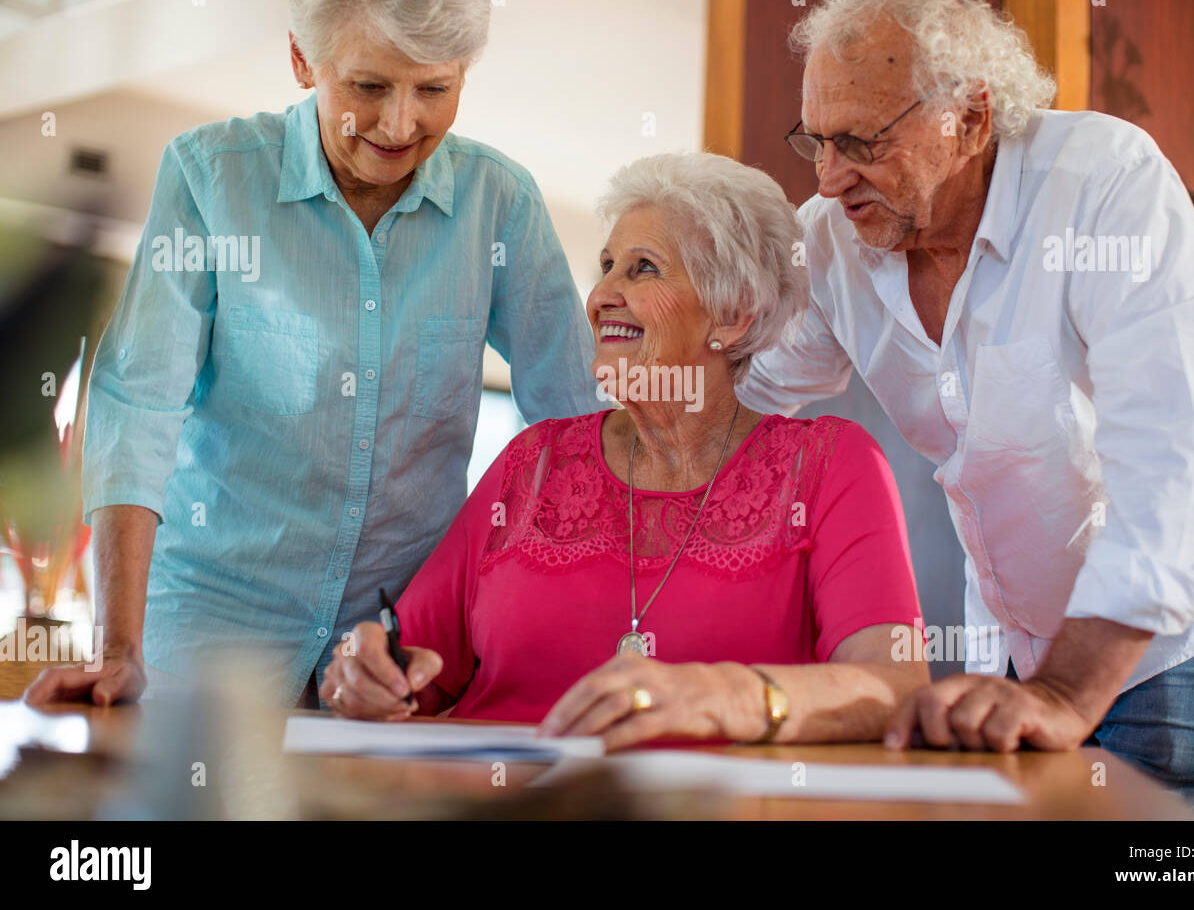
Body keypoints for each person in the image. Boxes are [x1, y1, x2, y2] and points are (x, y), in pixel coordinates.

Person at [734, 0, 1194, 818]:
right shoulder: (835, 242)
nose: (827, 178)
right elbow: (757, 391)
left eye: (861, 143)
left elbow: (1171, 464)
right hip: (1018, 619)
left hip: (1182, 617)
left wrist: (1067, 694)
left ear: (971, 117)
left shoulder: (1104, 184)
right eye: (816, 139)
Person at [25, 0, 600, 710]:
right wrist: (117, 649)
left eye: (434, 88)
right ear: (303, 59)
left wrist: (540, 632)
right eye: (368, 86)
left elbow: (573, 431)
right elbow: (140, 407)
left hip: (397, 650)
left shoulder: (501, 205)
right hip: (205, 632)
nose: (401, 125)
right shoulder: (211, 178)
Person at [322, 152, 928, 748]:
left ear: (734, 314)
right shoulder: (531, 464)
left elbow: (893, 685)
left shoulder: (828, 467)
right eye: (606, 265)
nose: (601, 295)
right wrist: (364, 671)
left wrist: (728, 696)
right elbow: (409, 667)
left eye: (643, 269)